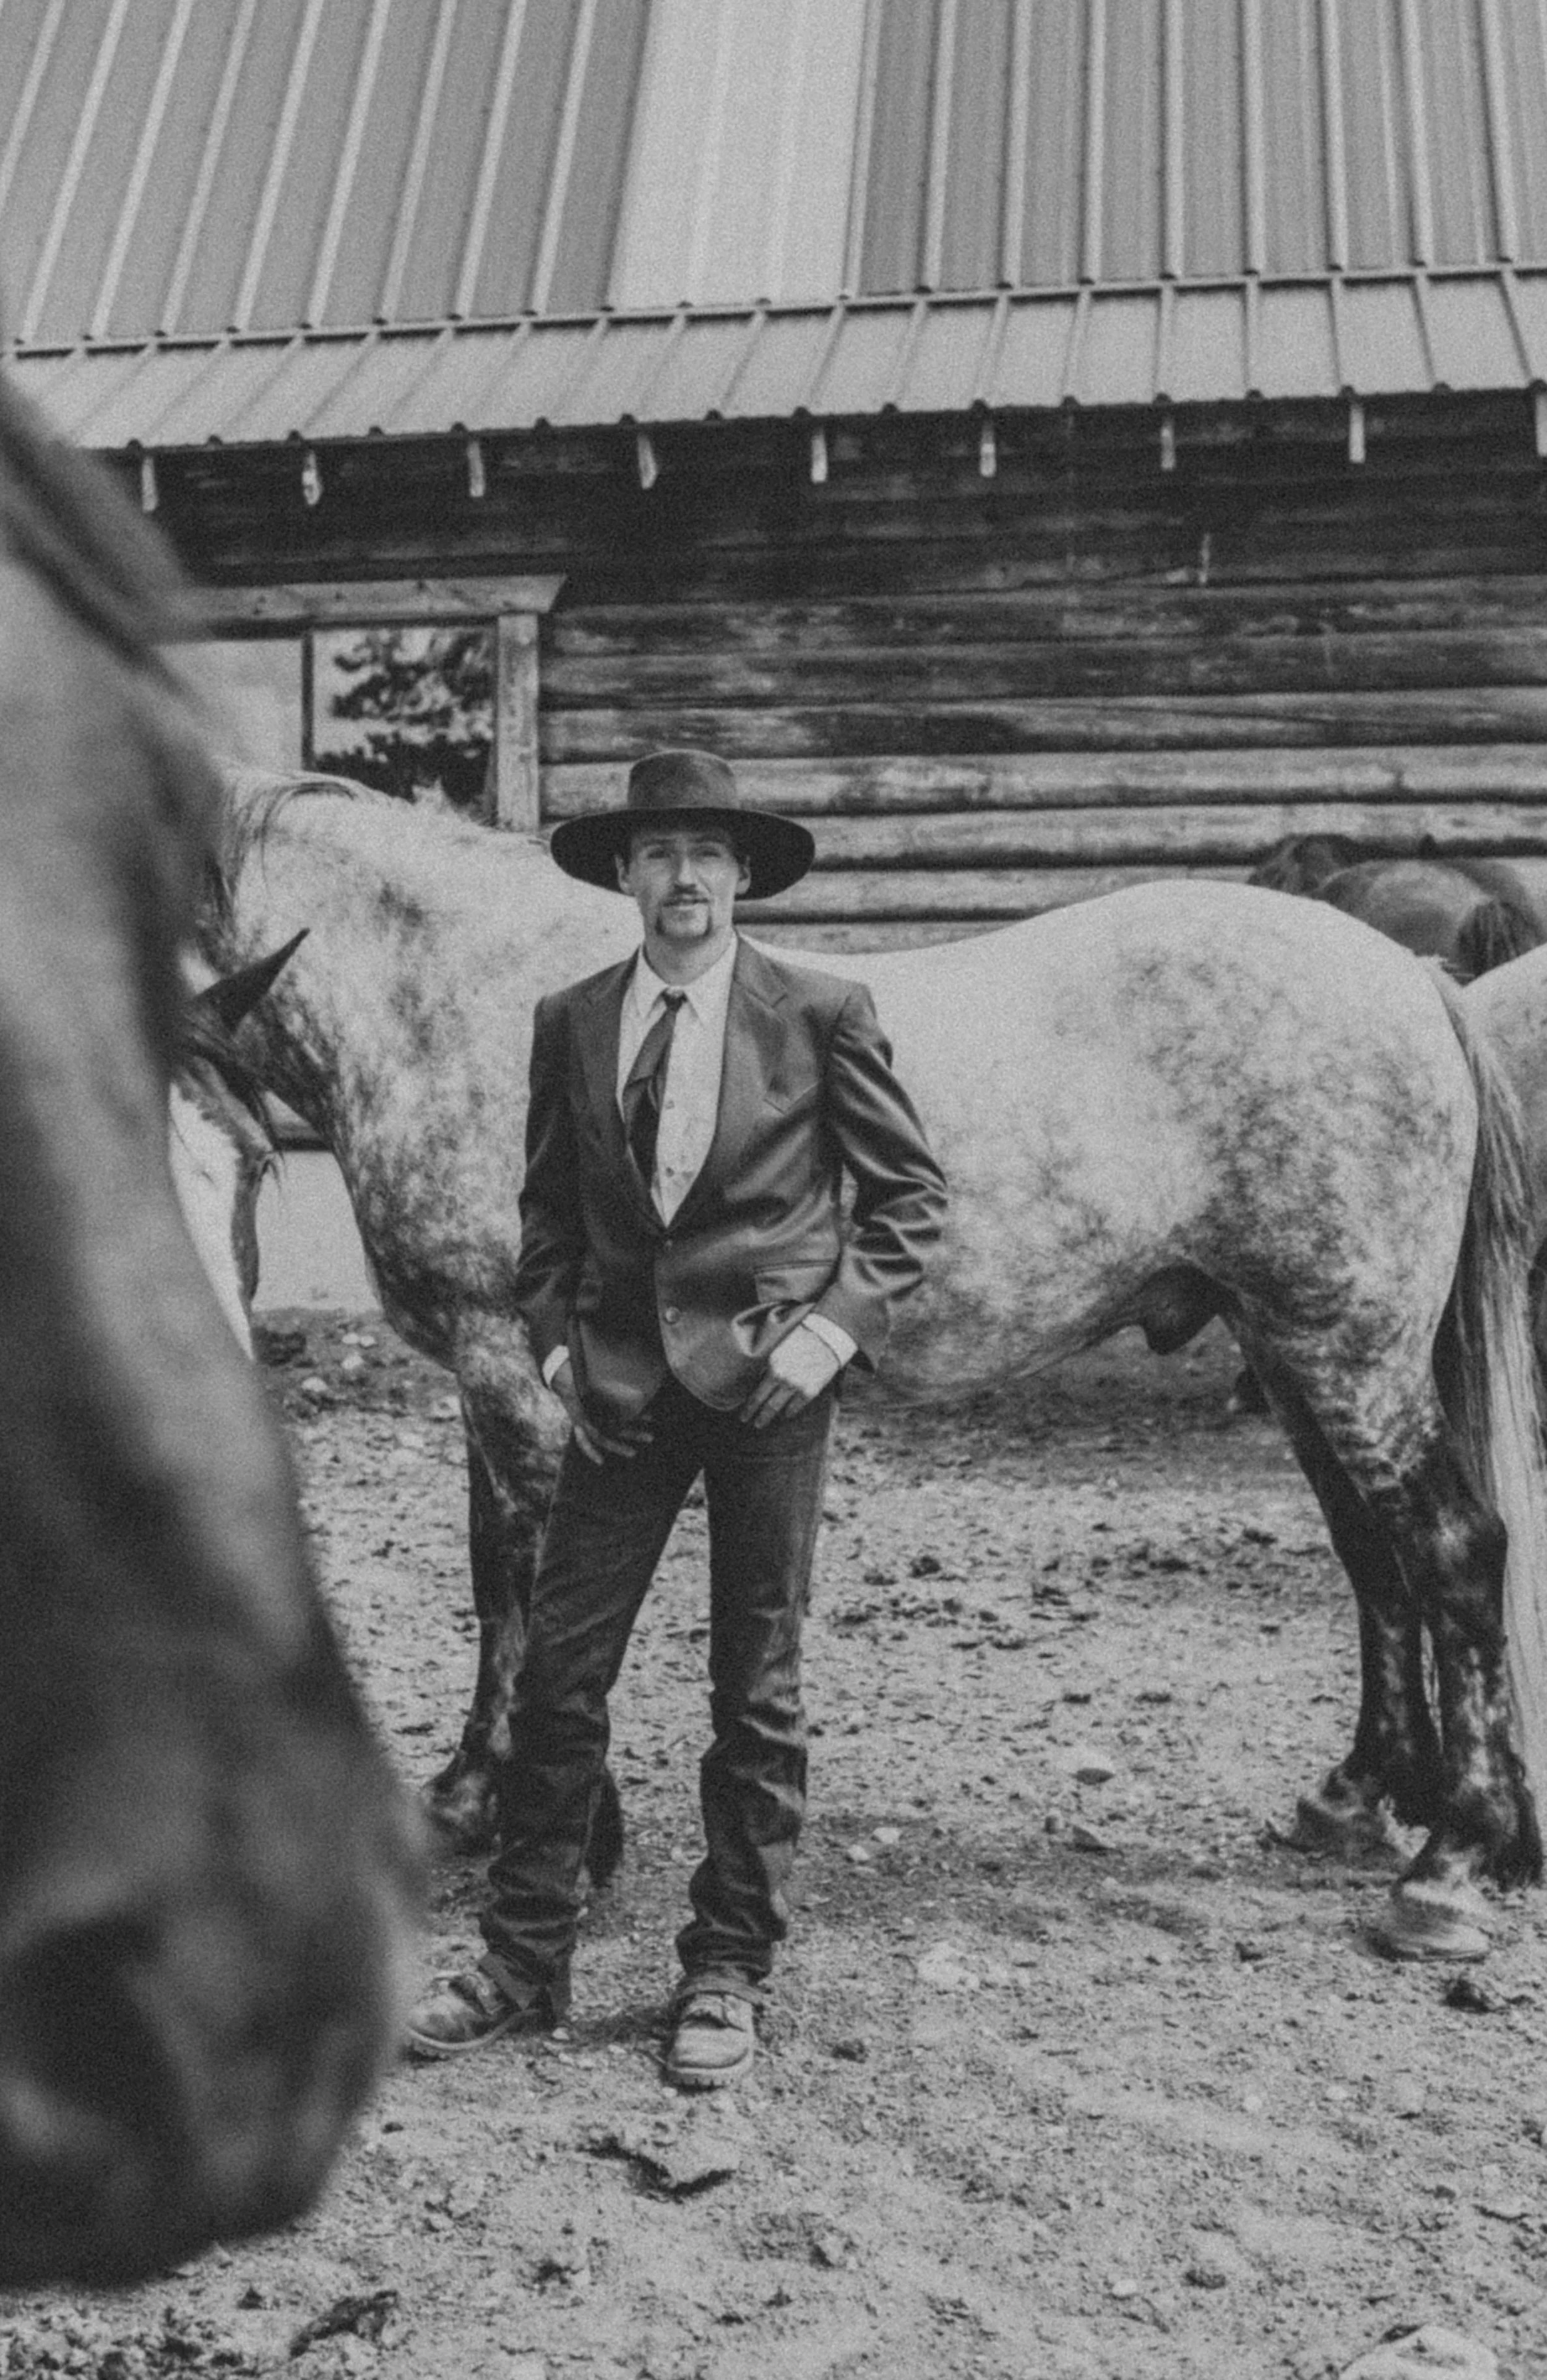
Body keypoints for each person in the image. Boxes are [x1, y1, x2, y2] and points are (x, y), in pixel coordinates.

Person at [406, 748, 947, 2087]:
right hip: (618, 1398)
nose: (683, 876)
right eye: (656, 853)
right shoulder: (573, 1017)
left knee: (752, 1685)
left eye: (707, 852)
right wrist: (554, 1351)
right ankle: (522, 1959)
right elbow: (544, 1218)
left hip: (770, 1389)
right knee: (555, 1674)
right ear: (624, 876)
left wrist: (826, 1335)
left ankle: (725, 1967)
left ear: (742, 874)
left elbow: (906, 1202)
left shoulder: (820, 1011)